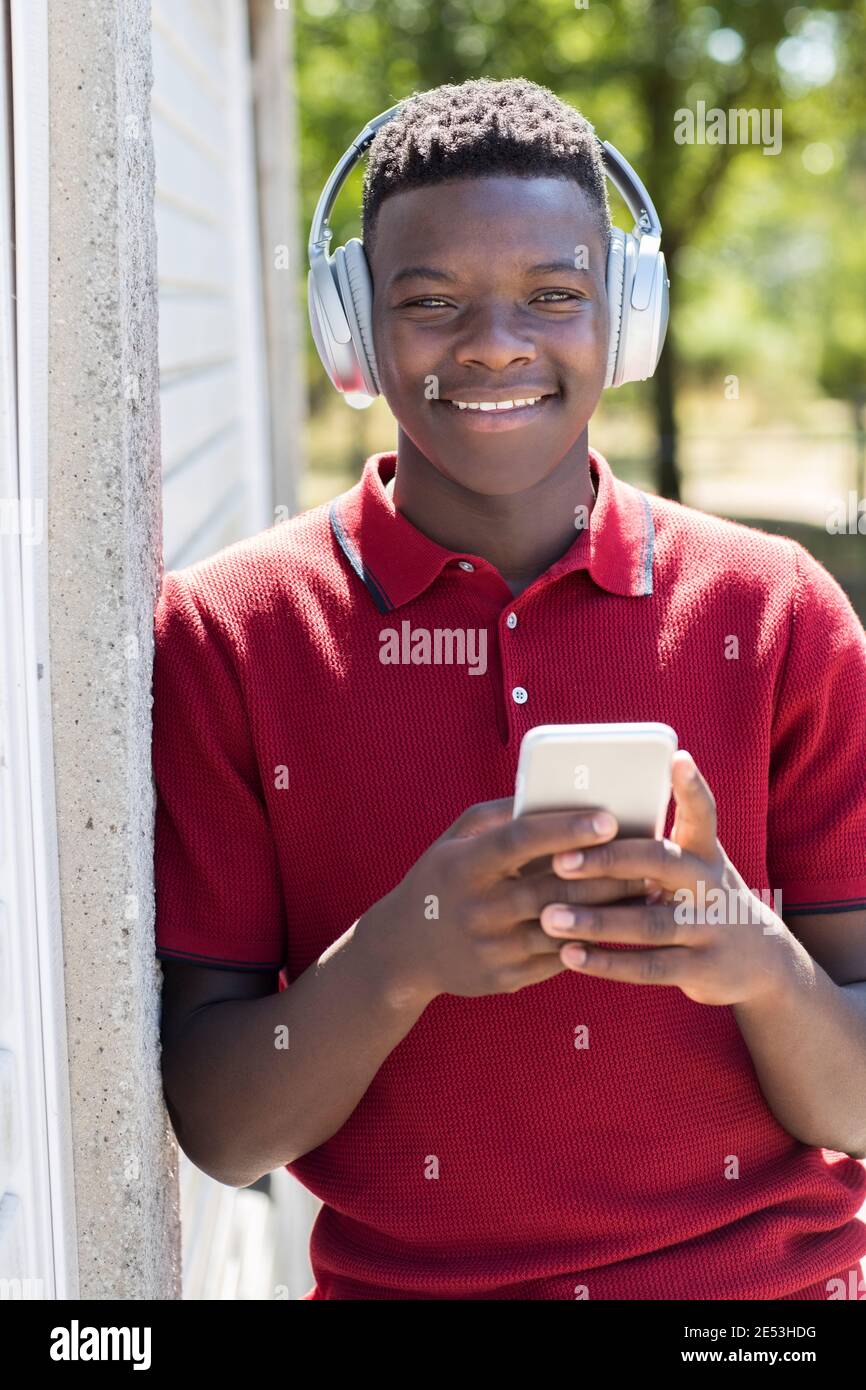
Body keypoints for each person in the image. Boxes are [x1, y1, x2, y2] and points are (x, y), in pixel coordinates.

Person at [153, 76, 866, 1301]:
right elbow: (224, 1130)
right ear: (353, 331)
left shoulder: (776, 611)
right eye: (429, 302)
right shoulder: (227, 632)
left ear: (624, 319)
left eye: (553, 295)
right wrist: (399, 953)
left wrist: (751, 955)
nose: (493, 342)